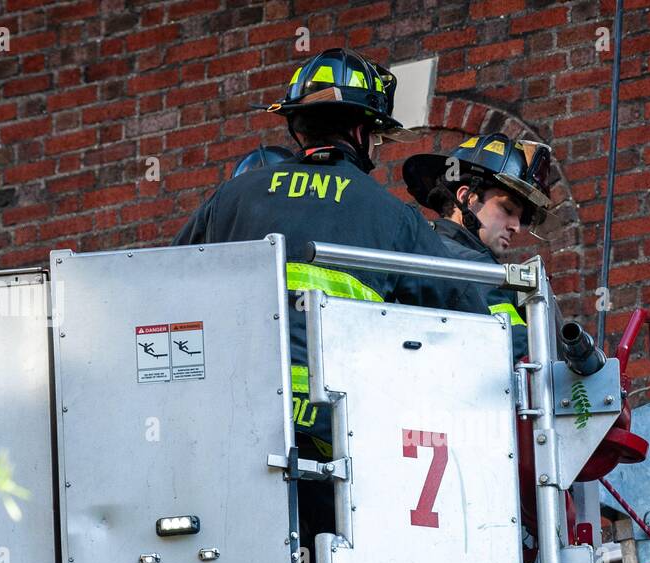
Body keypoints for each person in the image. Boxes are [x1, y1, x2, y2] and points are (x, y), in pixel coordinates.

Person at [172, 47, 487, 459]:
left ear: (299, 127)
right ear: (360, 132)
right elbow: (471, 324)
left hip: (234, 421)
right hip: (339, 431)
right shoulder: (392, 215)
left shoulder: (232, 197)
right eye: (378, 136)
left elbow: (165, 288)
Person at [402, 133, 554, 364]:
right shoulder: (473, 266)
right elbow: (518, 345)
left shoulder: (420, 246)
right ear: (467, 198)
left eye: (520, 218)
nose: (515, 226)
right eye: (507, 209)